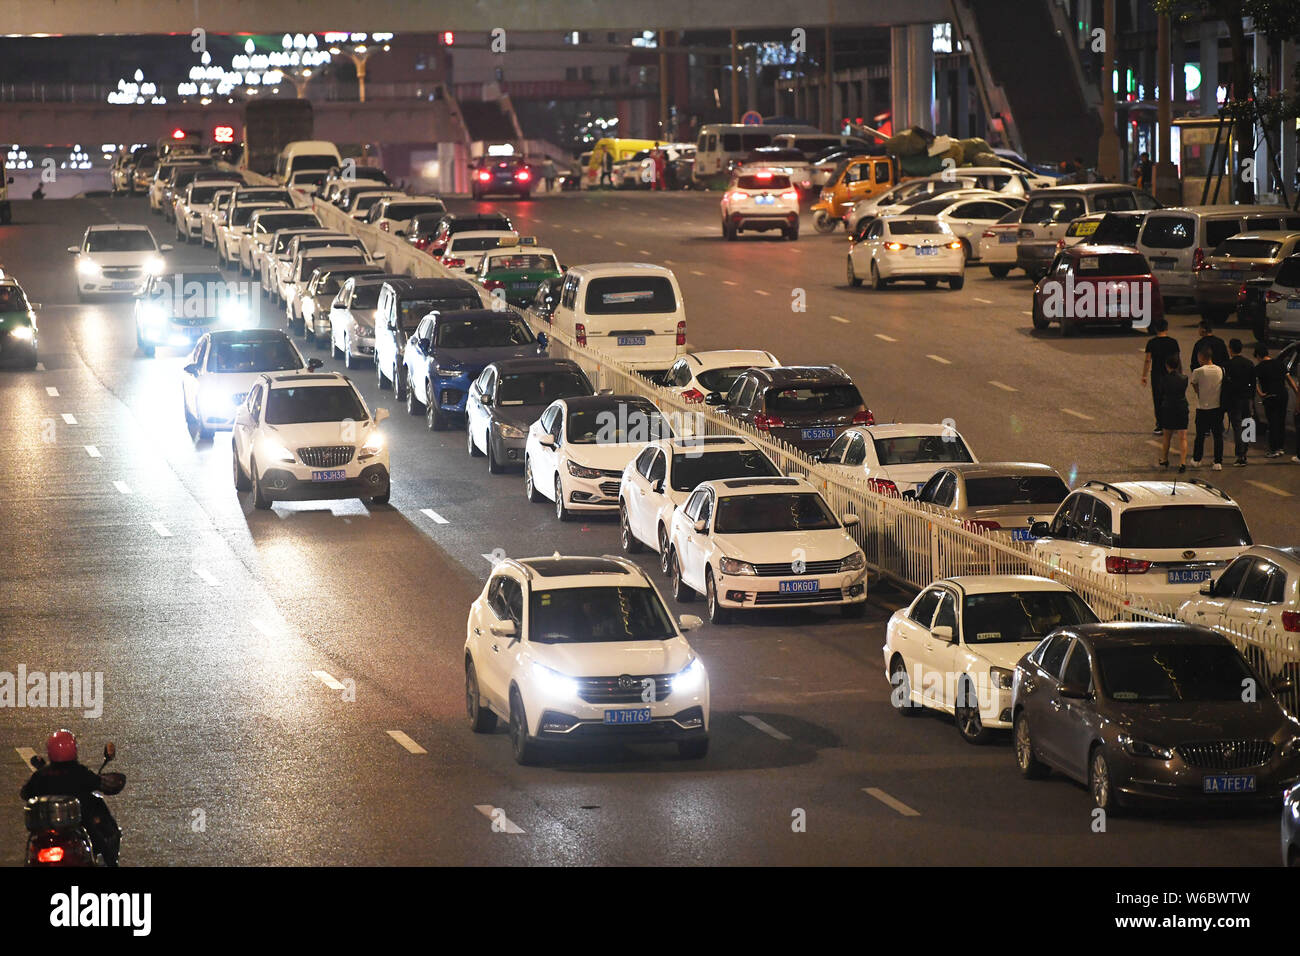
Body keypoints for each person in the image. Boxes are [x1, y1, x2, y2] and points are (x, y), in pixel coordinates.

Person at [20, 730, 122, 866]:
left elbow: (25, 793)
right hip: (79, 824)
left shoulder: (41, 775)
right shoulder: (80, 772)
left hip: (46, 829)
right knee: (102, 846)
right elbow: (100, 783)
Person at [1140, 317, 1179, 434]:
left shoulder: (1152, 343)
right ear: (1167, 328)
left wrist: (1144, 376)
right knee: (1171, 398)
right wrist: (1179, 374)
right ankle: (1172, 423)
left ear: (1156, 329)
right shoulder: (1173, 342)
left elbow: (1147, 360)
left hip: (1157, 375)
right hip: (1171, 374)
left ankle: (1160, 425)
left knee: (1158, 399)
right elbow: (1178, 360)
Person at [1189, 348, 1225, 470]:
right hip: (1217, 407)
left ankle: (1197, 459)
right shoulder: (1219, 370)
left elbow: (1194, 385)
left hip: (1202, 408)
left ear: (1201, 357)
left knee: (1200, 435)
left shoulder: (1198, 371)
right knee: (1218, 435)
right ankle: (1217, 462)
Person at [1222, 339, 1256, 466]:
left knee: (1237, 427)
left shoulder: (1227, 365)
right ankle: (1245, 452)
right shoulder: (1249, 363)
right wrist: (1252, 399)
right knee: (1248, 424)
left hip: (1234, 400)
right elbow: (1253, 383)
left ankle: (1240, 455)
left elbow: (1225, 385)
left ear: (1230, 349)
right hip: (1247, 398)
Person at [1157, 353, 1190, 472]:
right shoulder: (1184, 378)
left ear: (1167, 365)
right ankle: (1182, 463)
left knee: (1167, 436)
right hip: (1181, 407)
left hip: (1168, 407)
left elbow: (1161, 392)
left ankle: (1164, 459)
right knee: (1183, 437)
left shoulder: (1164, 379)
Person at [1255, 342, 1288, 458]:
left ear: (1258, 356)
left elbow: (1253, 382)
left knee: (1273, 423)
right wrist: (1296, 391)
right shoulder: (1279, 363)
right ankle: (1280, 448)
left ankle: (1273, 450)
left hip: (1270, 396)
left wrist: (1260, 394)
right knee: (1281, 421)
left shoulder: (1259, 367)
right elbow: (1288, 378)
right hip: (1283, 395)